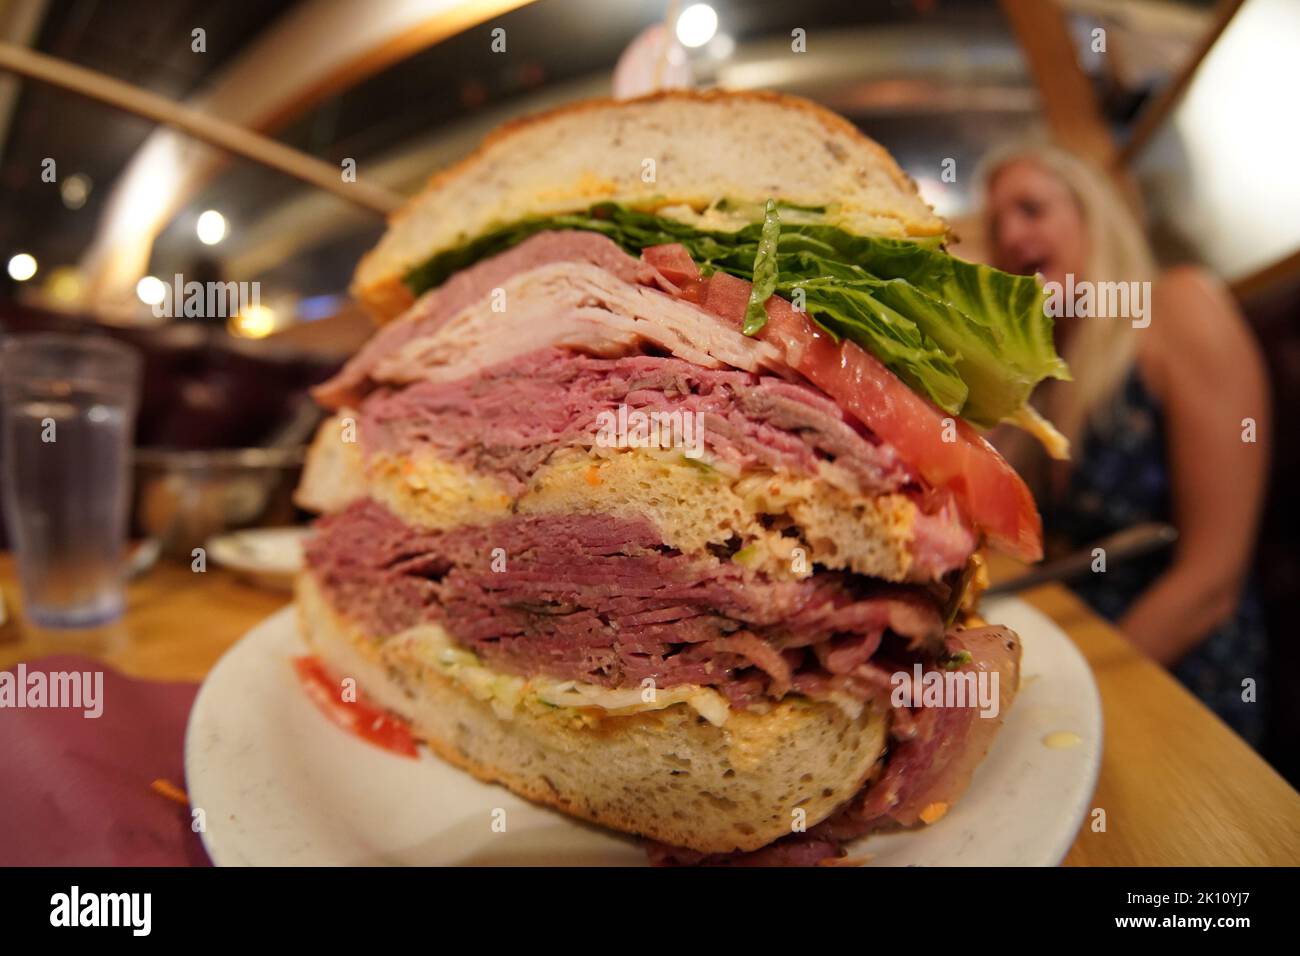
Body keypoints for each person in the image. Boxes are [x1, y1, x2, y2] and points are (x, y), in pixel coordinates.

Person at [979, 143, 1271, 745]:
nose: (1010, 236)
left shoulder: (1179, 305)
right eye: (996, 225)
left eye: (1031, 209)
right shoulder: (1047, 367)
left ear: (1092, 216)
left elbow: (1212, 580)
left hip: (1178, 665)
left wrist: (1071, 704)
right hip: (1076, 636)